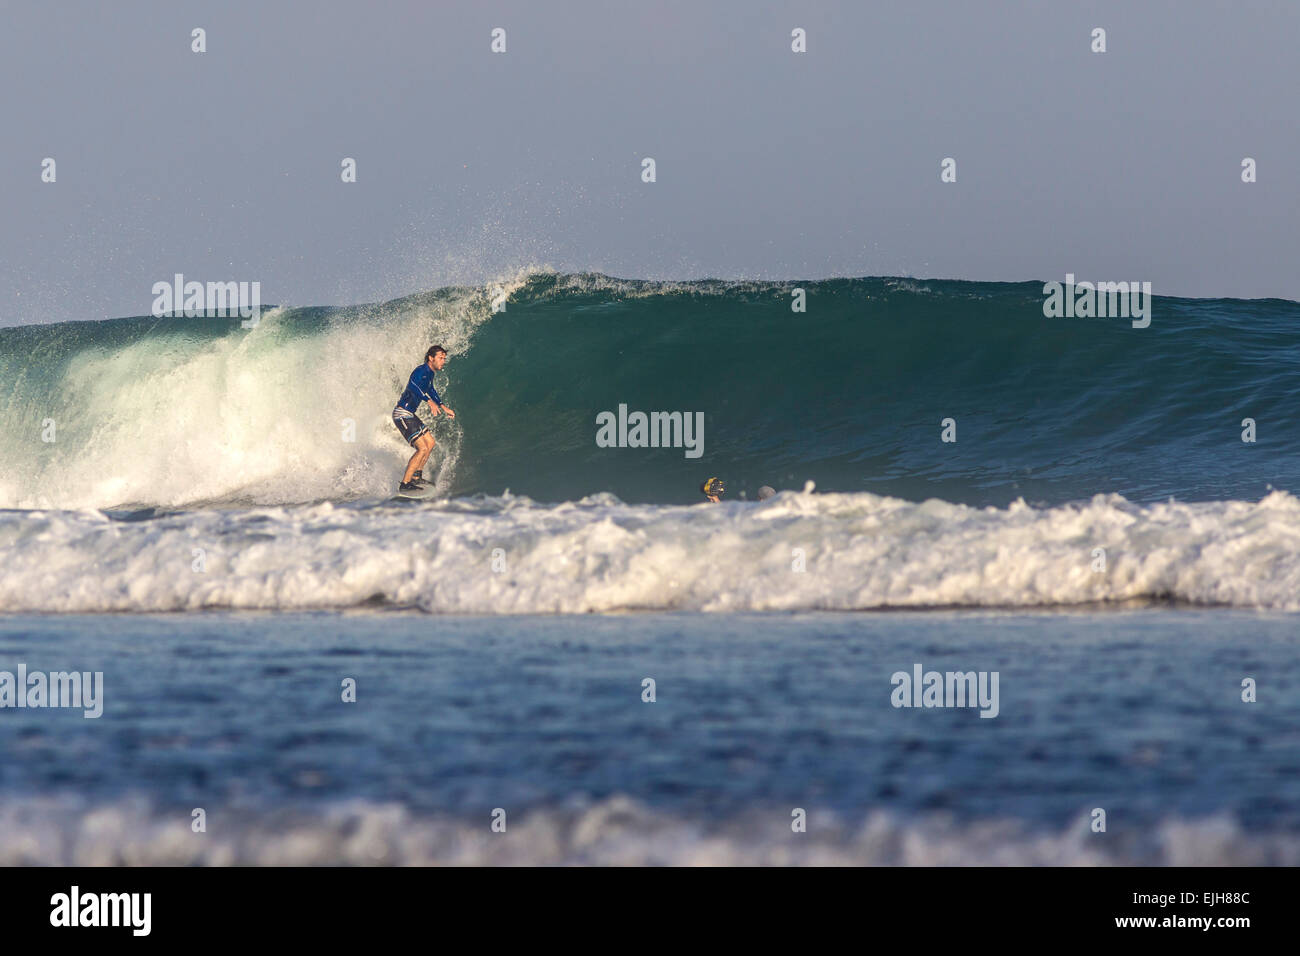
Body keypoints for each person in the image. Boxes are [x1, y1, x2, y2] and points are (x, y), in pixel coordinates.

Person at [393, 345, 456, 493]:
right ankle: (405, 484)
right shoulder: (421, 370)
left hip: (410, 414)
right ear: (431, 358)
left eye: (444, 358)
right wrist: (429, 402)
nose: (443, 361)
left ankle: (416, 477)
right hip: (402, 414)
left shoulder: (430, 373)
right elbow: (413, 386)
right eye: (440, 358)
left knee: (430, 443)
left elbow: (430, 389)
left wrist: (442, 405)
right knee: (421, 448)